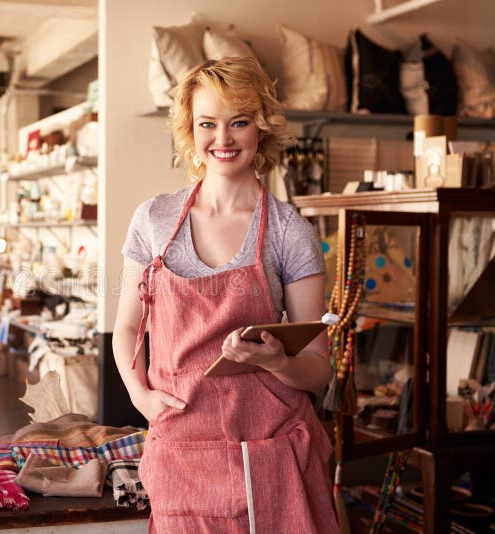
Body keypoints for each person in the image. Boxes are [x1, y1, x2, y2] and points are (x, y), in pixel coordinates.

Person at [113, 57, 339, 533]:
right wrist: (141, 397)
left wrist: (277, 361)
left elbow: (319, 368)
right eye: (207, 124)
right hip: (182, 450)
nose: (223, 139)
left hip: (271, 452)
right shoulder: (153, 221)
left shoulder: (288, 231)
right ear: (189, 130)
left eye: (239, 122)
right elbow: (129, 328)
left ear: (261, 129)